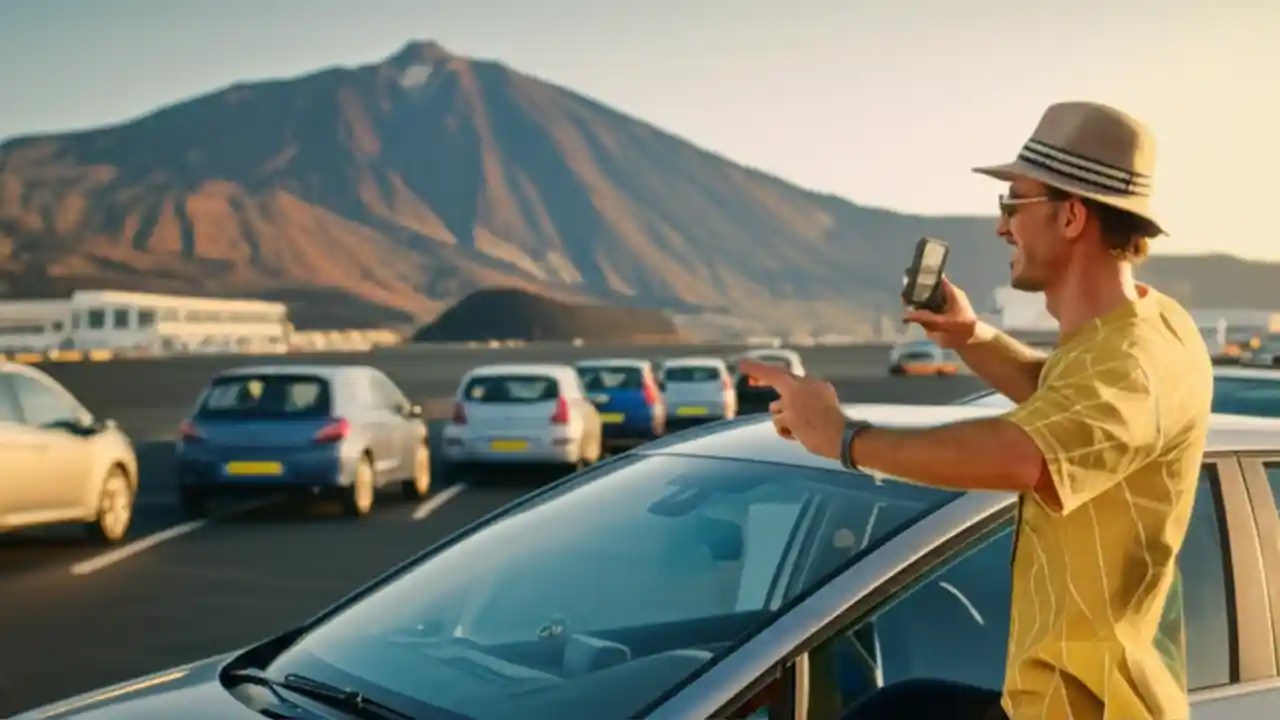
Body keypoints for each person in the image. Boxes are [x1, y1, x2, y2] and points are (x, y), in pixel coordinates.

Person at [740, 101, 1212, 720]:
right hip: (1045, 697)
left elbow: (1025, 455)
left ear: (1071, 216)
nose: (1001, 228)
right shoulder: (1146, 328)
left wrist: (844, 438)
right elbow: (1069, 404)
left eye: (1012, 204)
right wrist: (969, 335)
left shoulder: (1131, 360)